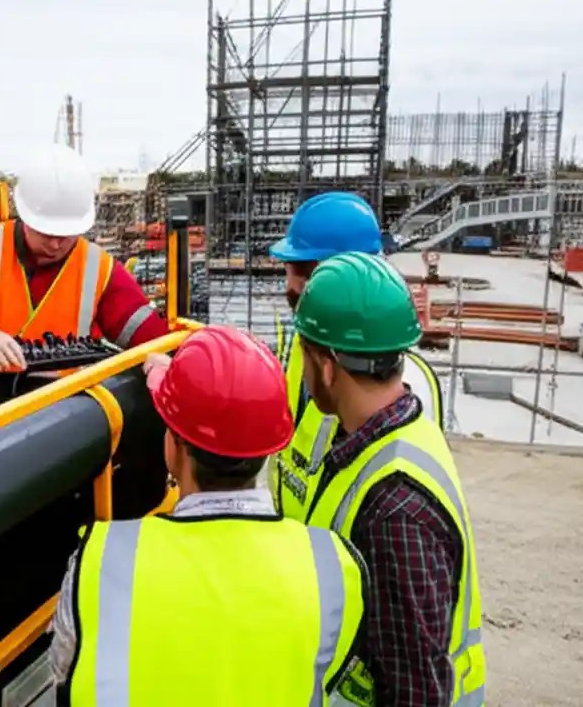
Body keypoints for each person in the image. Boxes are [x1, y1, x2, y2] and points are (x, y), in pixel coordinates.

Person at [49, 324, 367, 706]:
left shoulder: (100, 563)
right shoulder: (333, 568)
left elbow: (65, 676)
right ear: (268, 446)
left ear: (174, 445)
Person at [291, 252, 486, 707]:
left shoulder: (395, 511)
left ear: (326, 366)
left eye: (303, 352)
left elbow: (415, 691)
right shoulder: (401, 431)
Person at [0, 144, 167, 423]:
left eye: (66, 235)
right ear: (25, 217)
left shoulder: (98, 268)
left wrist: (158, 354)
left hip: (61, 430)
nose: (56, 244)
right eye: (47, 233)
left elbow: (148, 334)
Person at [266, 191, 446, 522]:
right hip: (306, 547)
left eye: (291, 268)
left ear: (327, 277)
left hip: (349, 550)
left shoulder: (402, 384)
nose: (285, 283)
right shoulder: (308, 342)